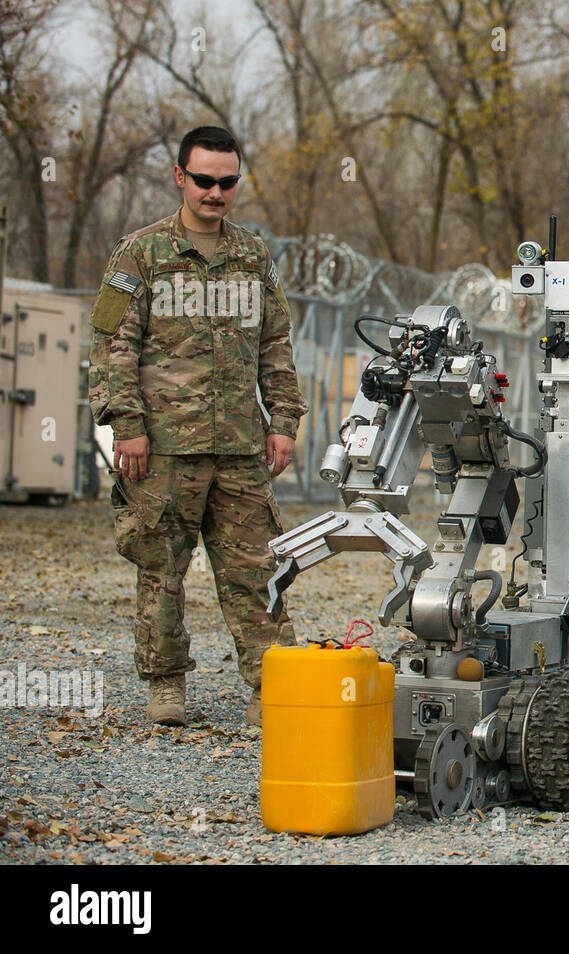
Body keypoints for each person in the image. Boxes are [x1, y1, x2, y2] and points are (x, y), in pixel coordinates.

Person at [89, 125, 306, 727]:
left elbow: (275, 344)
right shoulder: (140, 254)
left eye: (227, 182)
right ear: (180, 177)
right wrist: (126, 425)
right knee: (161, 567)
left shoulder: (252, 255)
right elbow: (112, 347)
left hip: (239, 447)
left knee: (255, 569)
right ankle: (166, 686)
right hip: (160, 448)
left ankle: (271, 687)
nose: (215, 193)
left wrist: (283, 420)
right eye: (204, 180)